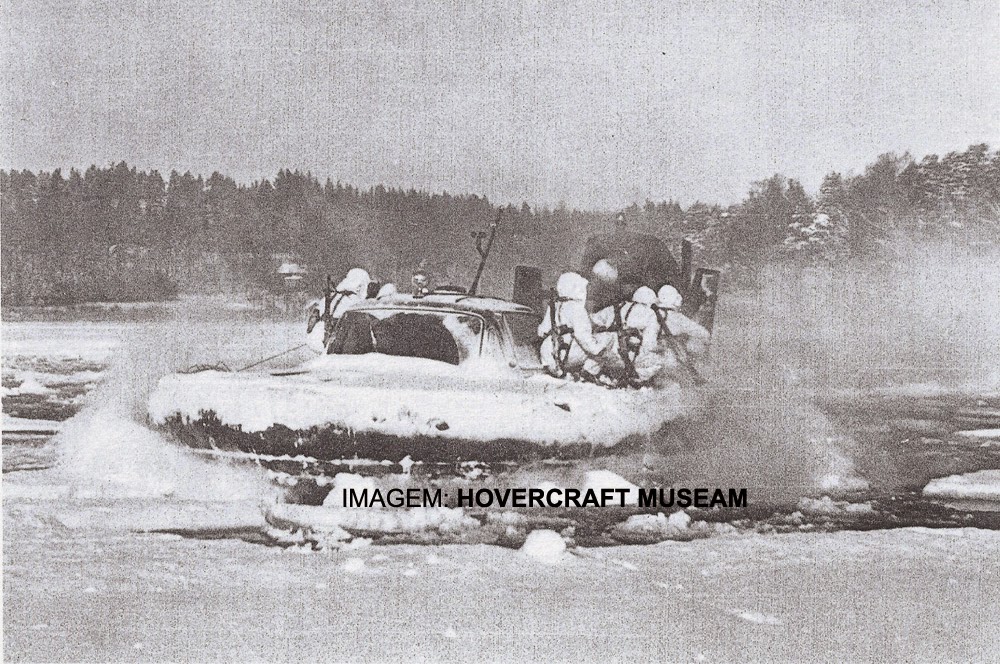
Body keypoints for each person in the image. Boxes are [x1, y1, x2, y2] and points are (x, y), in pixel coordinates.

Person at [537, 272, 614, 381]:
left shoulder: (554, 305)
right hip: (565, 355)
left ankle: (564, 373)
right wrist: (599, 351)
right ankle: (588, 372)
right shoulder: (576, 308)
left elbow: (541, 331)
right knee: (608, 338)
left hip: (548, 356)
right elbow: (583, 337)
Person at [591, 286, 663, 384]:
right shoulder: (650, 314)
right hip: (627, 358)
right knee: (659, 359)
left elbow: (593, 319)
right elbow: (649, 343)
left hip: (605, 354)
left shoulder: (617, 306)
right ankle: (638, 378)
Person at [305, 268, 372, 353]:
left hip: (327, 342)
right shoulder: (357, 302)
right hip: (346, 347)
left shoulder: (332, 297)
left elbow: (315, 317)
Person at [652, 284, 710, 379]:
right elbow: (703, 333)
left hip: (653, 356)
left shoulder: (651, 313)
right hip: (671, 359)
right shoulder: (677, 318)